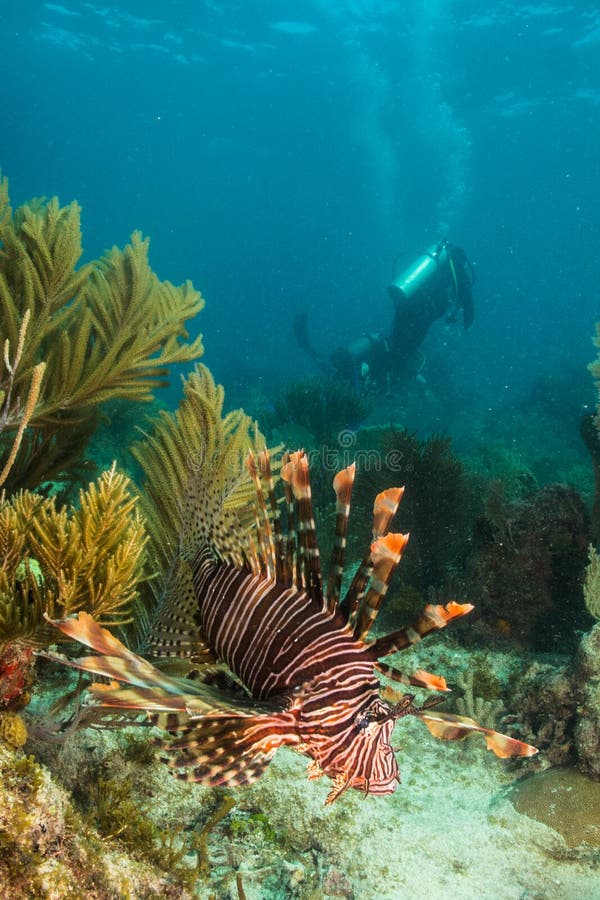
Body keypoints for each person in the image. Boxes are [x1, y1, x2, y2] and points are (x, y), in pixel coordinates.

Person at [295, 239, 474, 391]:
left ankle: (357, 363)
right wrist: (467, 323)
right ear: (460, 259)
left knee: (395, 343)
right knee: (402, 352)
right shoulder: (457, 270)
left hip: (405, 306)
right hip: (421, 313)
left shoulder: (435, 267)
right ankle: (361, 371)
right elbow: (468, 304)